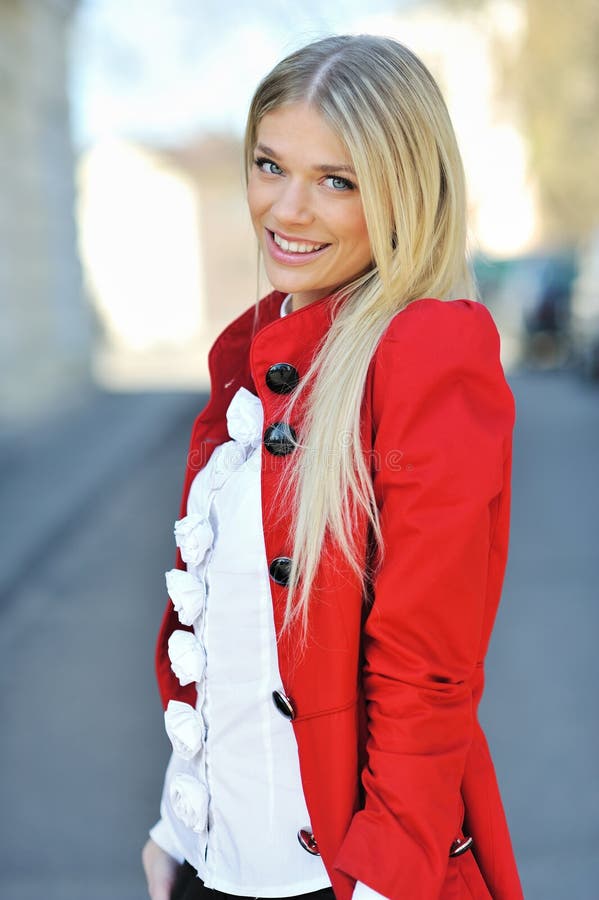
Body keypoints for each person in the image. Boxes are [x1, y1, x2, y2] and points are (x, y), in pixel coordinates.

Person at [141, 34, 523, 900]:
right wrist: (174, 826)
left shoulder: (426, 350)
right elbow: (234, 636)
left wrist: (386, 882)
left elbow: (428, 668)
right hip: (210, 863)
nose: (288, 209)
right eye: (270, 165)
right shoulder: (251, 353)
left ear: (401, 194)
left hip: (345, 881)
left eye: (337, 180)